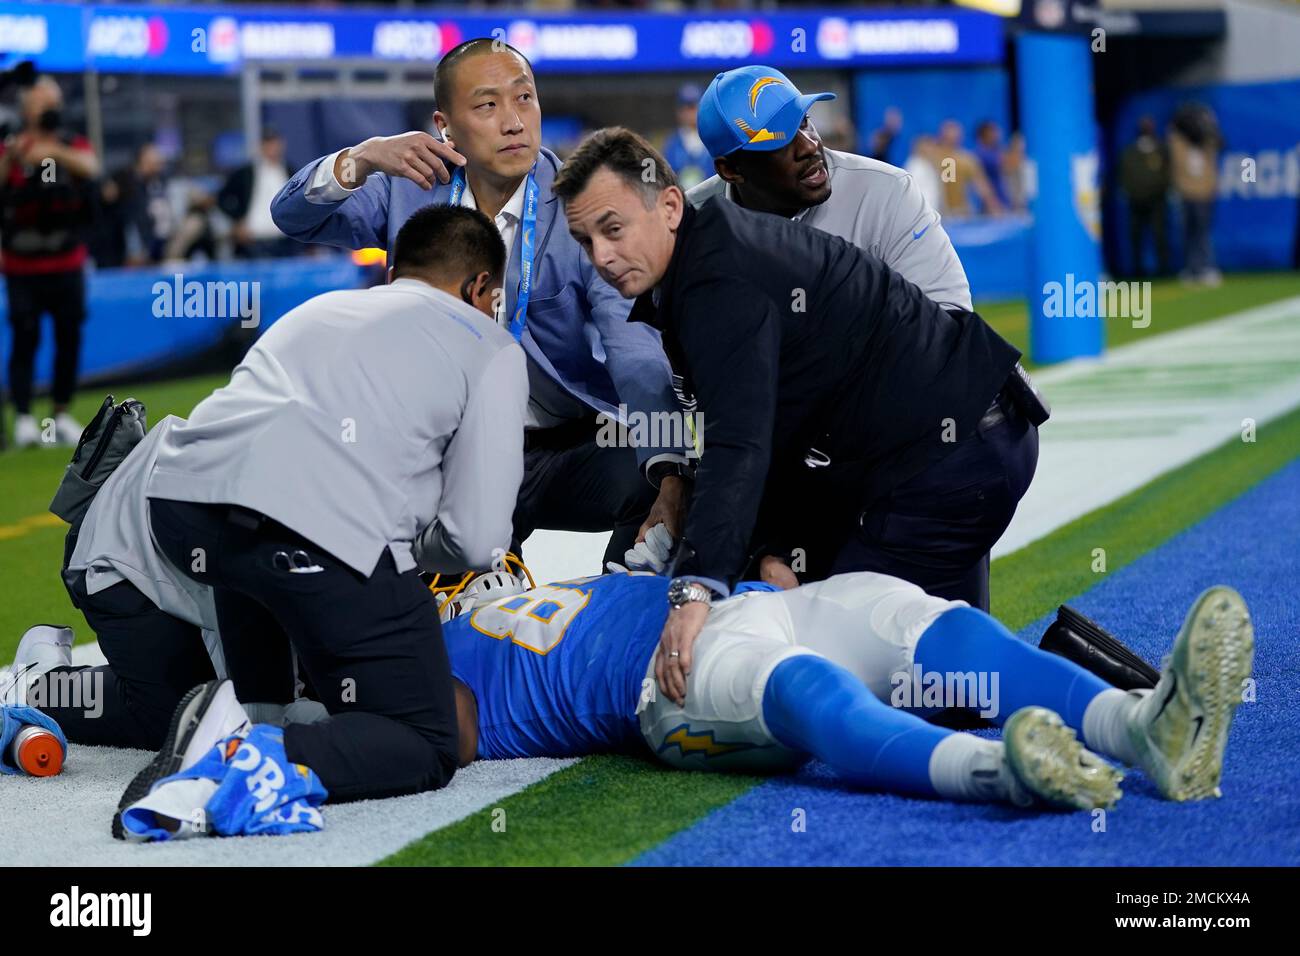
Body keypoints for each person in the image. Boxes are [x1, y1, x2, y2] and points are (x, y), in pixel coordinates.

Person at [107, 569, 1255, 839]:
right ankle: (1002, 770)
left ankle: (1136, 720)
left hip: (734, 600)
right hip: (660, 687)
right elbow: (434, 737)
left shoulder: (460, 593)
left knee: (922, 619)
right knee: (793, 693)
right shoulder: (417, 686)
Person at [554, 127, 1045, 676]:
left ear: (671, 206)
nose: (601, 256)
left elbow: (738, 442)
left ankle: (1112, 701)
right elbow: (780, 423)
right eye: (585, 241)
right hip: (960, 442)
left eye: (613, 229)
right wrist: (778, 546)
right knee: (939, 676)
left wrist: (695, 591)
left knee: (844, 662)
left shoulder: (715, 276)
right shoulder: (716, 251)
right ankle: (1104, 694)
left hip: (950, 457)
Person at [106, 205, 522, 832]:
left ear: (393, 273)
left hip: (182, 508)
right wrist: (401, 543)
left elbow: (257, 460)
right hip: (307, 530)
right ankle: (237, 755)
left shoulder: (317, 309)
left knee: (258, 552)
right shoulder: (489, 343)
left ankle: (253, 715)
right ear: (479, 289)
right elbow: (477, 538)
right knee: (425, 739)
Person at [270, 38, 689, 570]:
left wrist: (671, 469)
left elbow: (635, 350)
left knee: (650, 471)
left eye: (525, 98)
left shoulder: (581, 207)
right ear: (444, 126)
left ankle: (619, 602)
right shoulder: (409, 190)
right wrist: (363, 156)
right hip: (449, 453)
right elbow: (291, 215)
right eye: (488, 105)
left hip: (563, 447)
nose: (514, 122)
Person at [688, 67, 971, 313]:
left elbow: (950, 321)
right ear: (731, 170)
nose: (810, 146)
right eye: (779, 140)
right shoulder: (685, 225)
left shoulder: (885, 191)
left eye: (804, 122)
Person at [0, 75, 99, 449]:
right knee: (25, 337)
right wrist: (17, 153)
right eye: (42, 103)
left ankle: (59, 415)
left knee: (68, 338)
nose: (49, 109)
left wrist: (53, 152)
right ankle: (25, 417)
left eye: (53, 102)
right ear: (27, 109)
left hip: (67, 261)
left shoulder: (71, 143)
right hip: (22, 264)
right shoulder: (11, 144)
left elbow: (91, 167)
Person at [217, 127, 296, 259]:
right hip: (253, 241)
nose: (272, 147)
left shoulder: (290, 171)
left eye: (275, 143)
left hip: (284, 241)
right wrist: (237, 221)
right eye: (268, 143)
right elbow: (222, 197)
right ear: (261, 146)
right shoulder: (246, 173)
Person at [1169, 104, 1222, 287]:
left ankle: (1206, 267)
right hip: (1186, 193)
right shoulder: (1180, 143)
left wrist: (1207, 125)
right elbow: (1174, 140)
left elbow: (1217, 141)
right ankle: (1192, 268)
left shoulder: (1207, 143)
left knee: (1202, 233)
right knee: (1188, 233)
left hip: (1204, 194)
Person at [1119, 117, 1171, 277]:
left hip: (1157, 200)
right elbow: (1123, 175)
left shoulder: (1160, 149)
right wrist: (1131, 191)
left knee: (1159, 235)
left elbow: (1167, 173)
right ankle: (1137, 270)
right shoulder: (1130, 151)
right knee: (1136, 237)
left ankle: (1163, 269)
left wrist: (1160, 189)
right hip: (1136, 201)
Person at [936, 119, 1003, 219]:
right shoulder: (932, 157)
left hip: (961, 212)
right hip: (940, 212)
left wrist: (995, 208)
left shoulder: (966, 160)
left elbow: (982, 186)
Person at [659, 83, 711, 192]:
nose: (689, 113)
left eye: (693, 107)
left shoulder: (713, 137)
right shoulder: (671, 144)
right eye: (685, 108)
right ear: (679, 111)